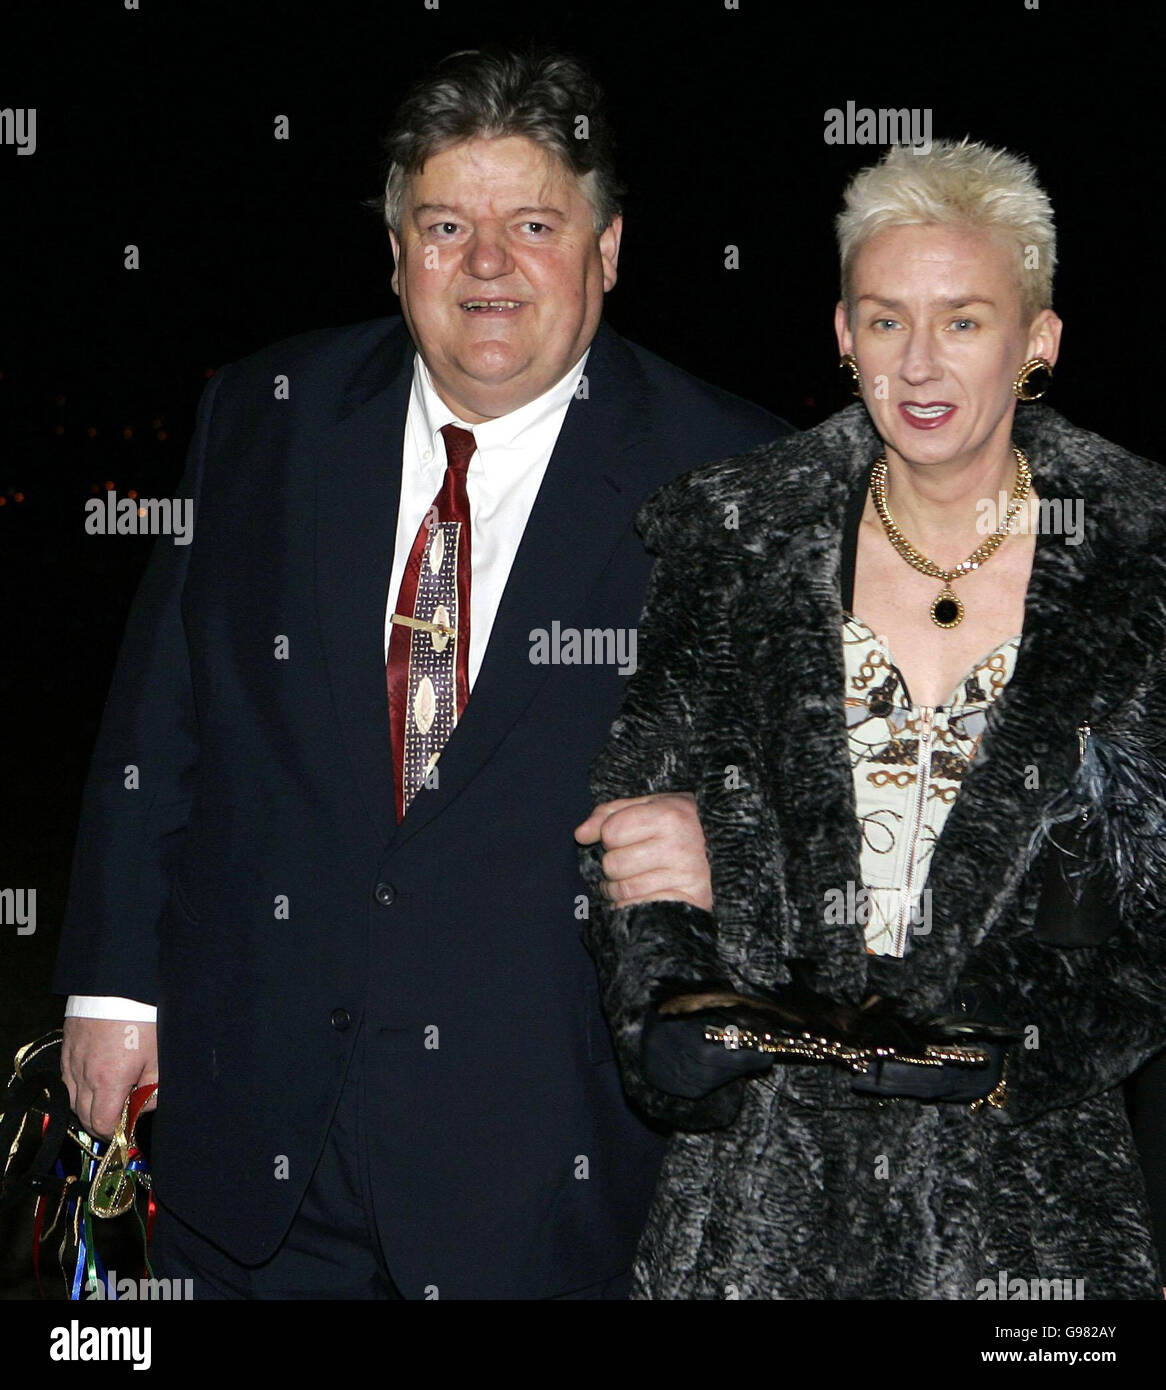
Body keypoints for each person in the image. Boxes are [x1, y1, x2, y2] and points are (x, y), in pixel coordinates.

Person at [53, 47, 788, 1299]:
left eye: (533, 224)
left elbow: (819, 794)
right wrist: (114, 987)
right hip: (254, 1142)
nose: (487, 262)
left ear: (606, 251)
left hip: (543, 1168)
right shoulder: (264, 415)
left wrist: (736, 853)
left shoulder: (737, 479)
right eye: (445, 224)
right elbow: (159, 718)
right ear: (396, 251)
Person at [579, 138, 1166, 1299]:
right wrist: (669, 1004)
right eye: (884, 319)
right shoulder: (733, 538)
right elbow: (634, 843)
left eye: (962, 319)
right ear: (841, 336)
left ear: (1034, 343)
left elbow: (1143, 911)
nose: (919, 360)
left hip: (1026, 1212)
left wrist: (995, 1053)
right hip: (760, 1199)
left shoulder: (1139, 561)